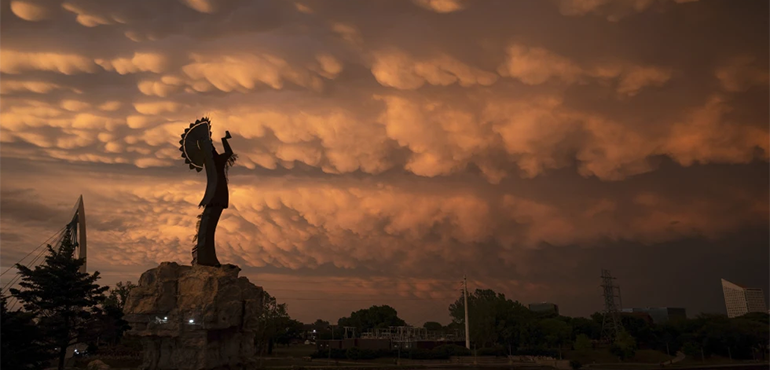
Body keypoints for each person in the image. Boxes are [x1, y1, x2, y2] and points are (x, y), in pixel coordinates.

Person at [192, 131, 236, 267]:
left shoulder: (211, 161)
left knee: (208, 227)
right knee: (208, 228)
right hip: (217, 195)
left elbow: (228, 154)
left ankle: (206, 256)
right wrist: (224, 140)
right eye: (212, 147)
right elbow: (229, 153)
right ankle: (206, 257)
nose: (215, 149)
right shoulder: (215, 161)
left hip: (214, 195)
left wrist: (223, 140)